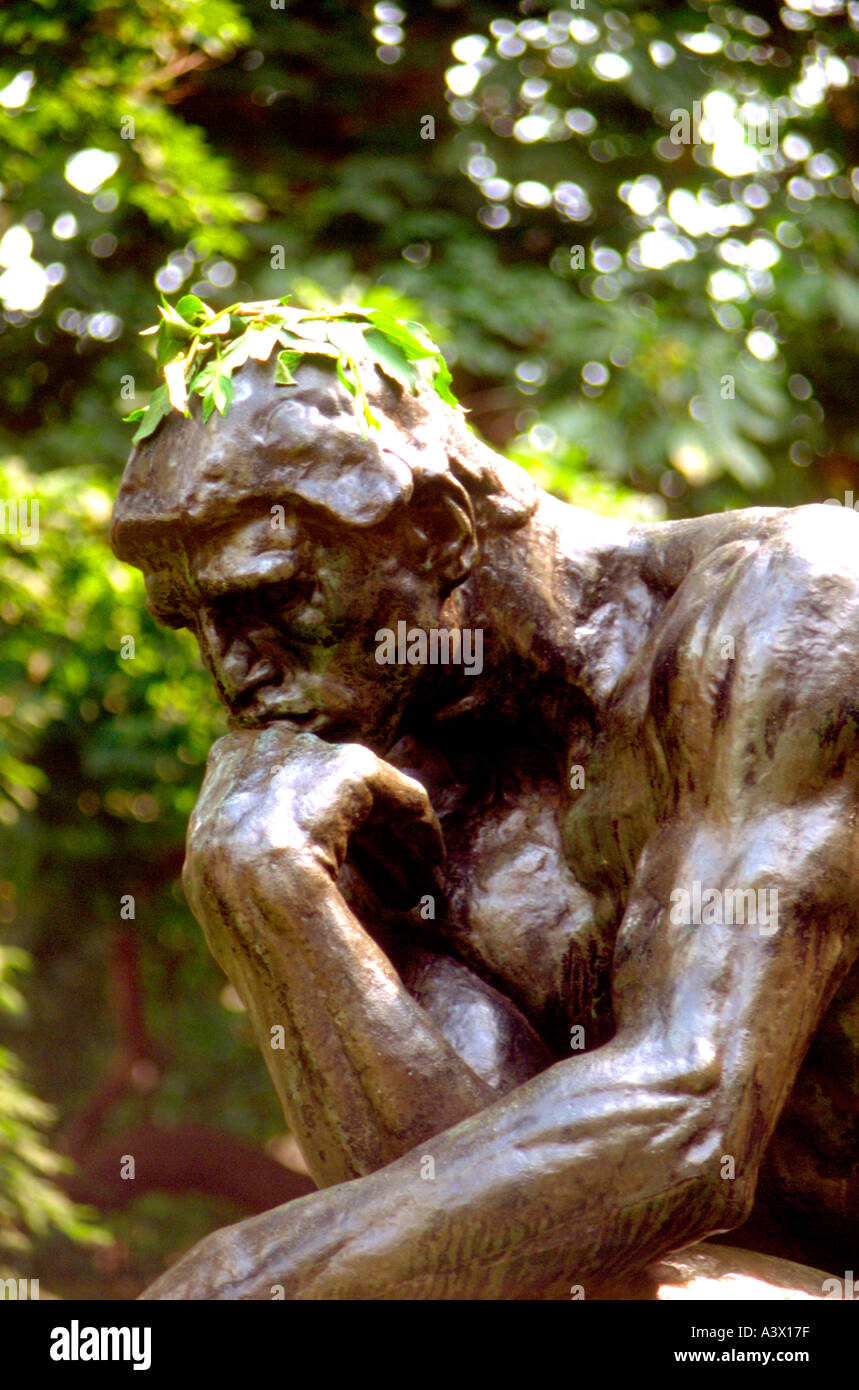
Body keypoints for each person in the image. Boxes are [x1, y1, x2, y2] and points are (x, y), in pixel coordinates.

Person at [111, 347, 859, 1299]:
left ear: (436, 533)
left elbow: (692, 1119)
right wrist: (270, 905)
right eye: (194, 627)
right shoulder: (374, 789)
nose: (235, 675)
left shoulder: (793, 610)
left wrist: (241, 1280)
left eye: (267, 599)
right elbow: (472, 1246)